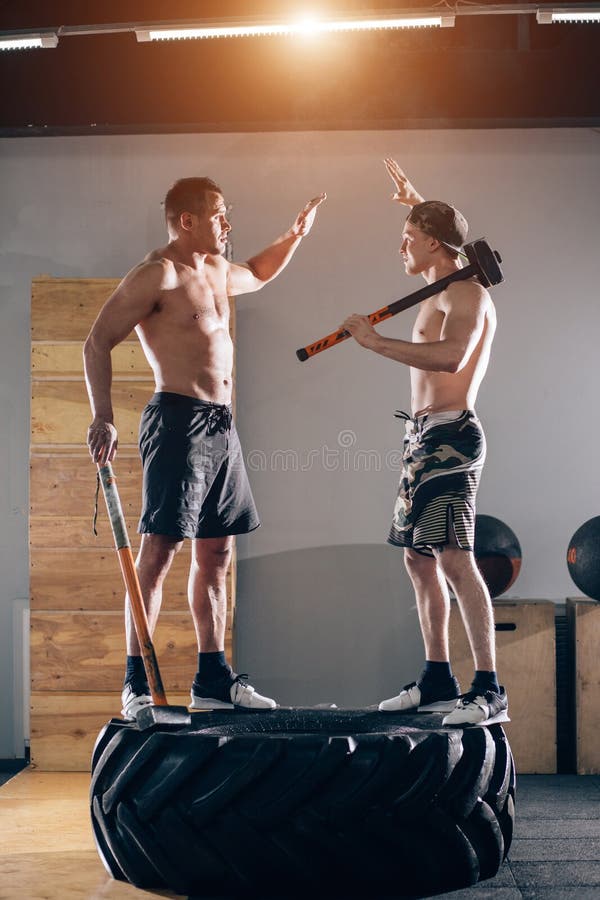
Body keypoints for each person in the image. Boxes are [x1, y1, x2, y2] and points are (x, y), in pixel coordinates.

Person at [84, 176, 326, 719]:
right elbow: (96, 341)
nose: (229, 223)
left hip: (221, 426)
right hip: (177, 422)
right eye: (220, 214)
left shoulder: (215, 270)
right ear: (187, 220)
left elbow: (260, 274)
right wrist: (103, 415)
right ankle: (137, 682)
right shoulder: (157, 275)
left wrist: (295, 233)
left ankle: (213, 681)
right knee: (160, 553)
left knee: (216, 553)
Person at [341, 158, 507, 727]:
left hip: (452, 439)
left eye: (409, 238)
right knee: (418, 558)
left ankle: (488, 689)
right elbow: (447, 237)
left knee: (454, 557)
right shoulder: (446, 282)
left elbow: (451, 357)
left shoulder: (465, 296)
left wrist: (374, 342)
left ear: (434, 245)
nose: (401, 248)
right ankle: (439, 679)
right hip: (423, 440)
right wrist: (416, 201)